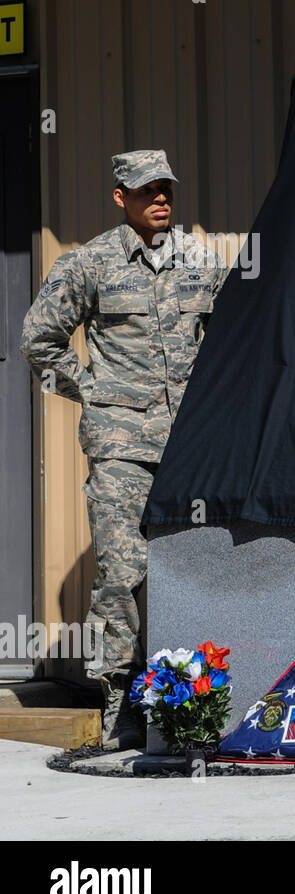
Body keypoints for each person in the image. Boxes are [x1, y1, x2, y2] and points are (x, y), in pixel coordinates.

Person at [20, 150, 228, 749]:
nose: (160, 199)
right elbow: (39, 338)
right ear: (121, 197)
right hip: (121, 449)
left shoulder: (198, 261)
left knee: (191, 571)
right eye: (147, 190)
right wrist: (91, 392)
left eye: (166, 188)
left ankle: (192, 704)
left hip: (191, 447)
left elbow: (227, 338)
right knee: (122, 573)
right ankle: (123, 701)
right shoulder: (89, 263)